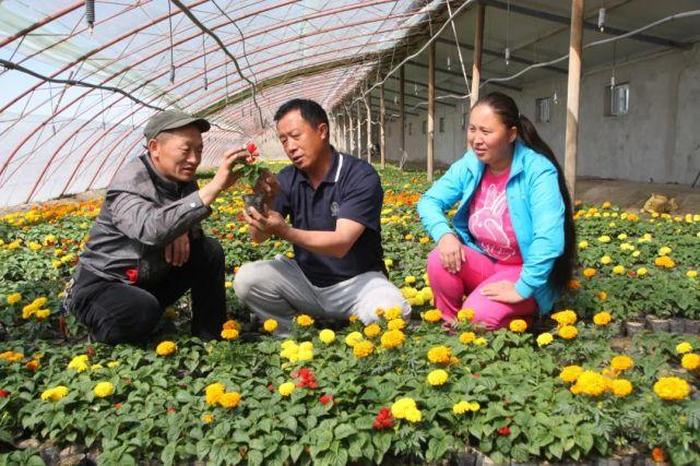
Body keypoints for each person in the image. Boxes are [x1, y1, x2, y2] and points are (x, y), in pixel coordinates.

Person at [64, 110, 257, 344]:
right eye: (186, 150)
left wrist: (182, 229)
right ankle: (102, 327)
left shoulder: (182, 179)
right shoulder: (128, 184)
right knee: (142, 310)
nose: (194, 159)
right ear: (155, 147)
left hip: (147, 277)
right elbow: (151, 229)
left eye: (199, 150)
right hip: (105, 283)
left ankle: (210, 335)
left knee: (208, 251)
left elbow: (183, 220)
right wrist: (214, 187)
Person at [234, 99, 410, 335]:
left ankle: (348, 325)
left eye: (296, 136)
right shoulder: (286, 178)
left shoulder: (358, 175)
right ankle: (292, 334)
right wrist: (265, 201)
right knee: (248, 279)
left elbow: (341, 244)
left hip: (358, 284)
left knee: (391, 311)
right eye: (284, 140)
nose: (290, 147)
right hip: (307, 282)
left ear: (322, 131)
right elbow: (258, 238)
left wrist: (285, 231)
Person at [417, 92, 575, 329]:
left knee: (476, 316)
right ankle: (450, 325)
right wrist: (445, 234)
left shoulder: (538, 171)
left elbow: (549, 238)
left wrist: (522, 287)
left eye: (486, 132)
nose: (476, 139)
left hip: (522, 271)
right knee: (438, 260)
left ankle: (521, 313)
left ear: (512, 134)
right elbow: (429, 201)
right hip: (485, 262)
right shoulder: (471, 164)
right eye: (472, 129)